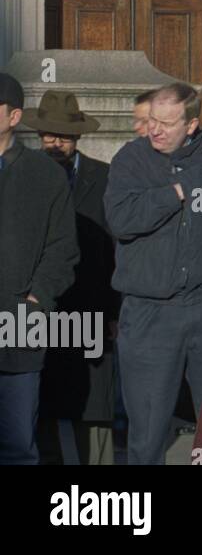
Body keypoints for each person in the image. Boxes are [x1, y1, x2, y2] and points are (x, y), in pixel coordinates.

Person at [104, 82, 202, 464]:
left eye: (167, 123)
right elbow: (120, 219)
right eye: (152, 120)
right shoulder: (130, 160)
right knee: (147, 432)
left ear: (191, 125)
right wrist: (173, 193)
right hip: (151, 312)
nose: (156, 130)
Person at [24, 92, 119, 463]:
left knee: (96, 409)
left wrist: (115, 309)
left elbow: (114, 247)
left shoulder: (104, 176)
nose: (54, 142)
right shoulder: (24, 173)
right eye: (47, 134)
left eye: (62, 136)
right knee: (39, 399)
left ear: (77, 137)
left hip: (92, 305)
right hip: (39, 304)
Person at [0, 74, 79, 465]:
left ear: (14, 116)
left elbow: (63, 248)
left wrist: (35, 300)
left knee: (17, 445)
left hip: (19, 322)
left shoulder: (44, 174)